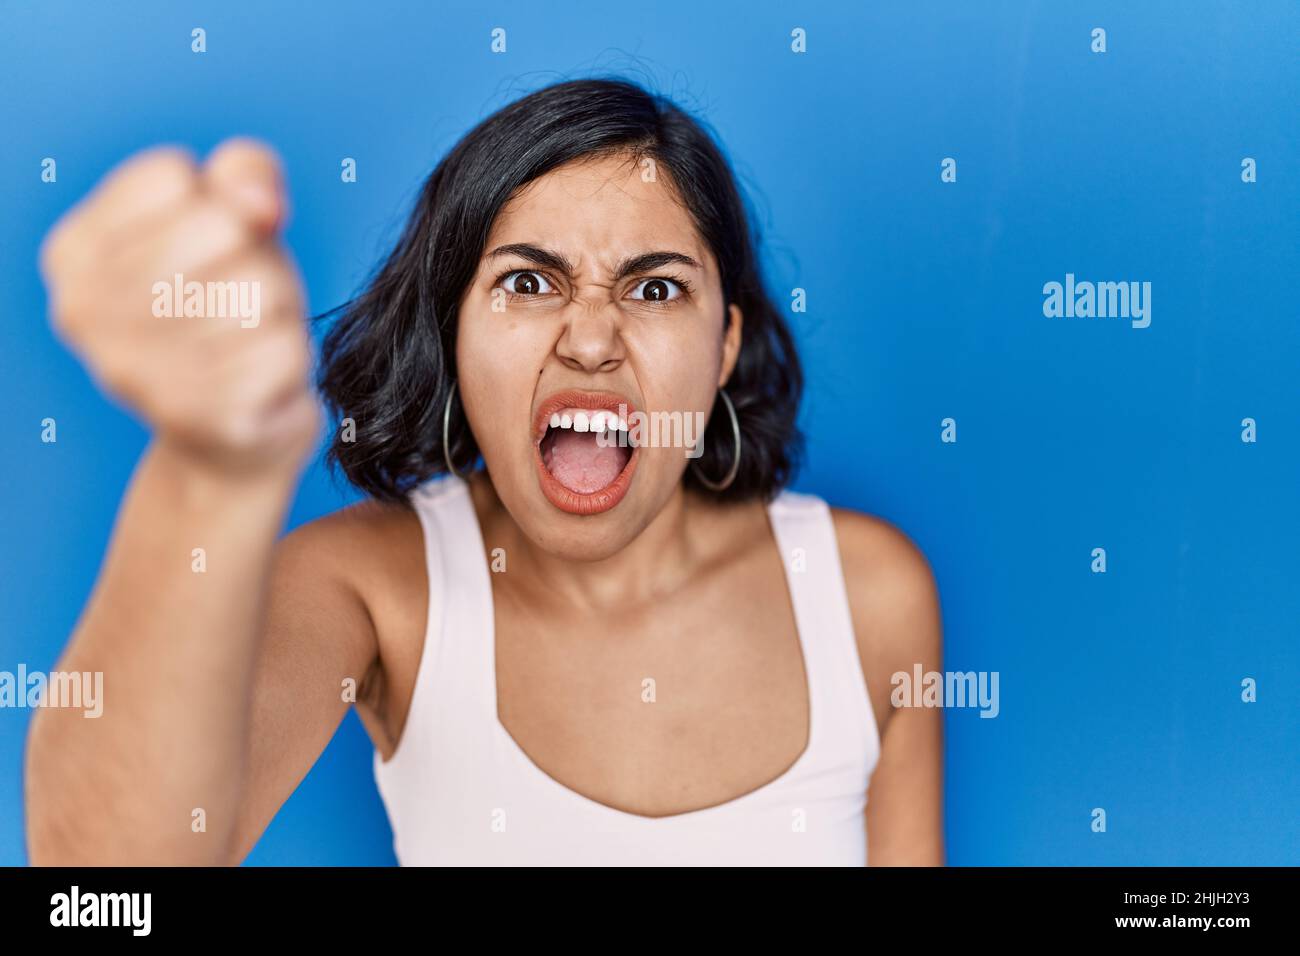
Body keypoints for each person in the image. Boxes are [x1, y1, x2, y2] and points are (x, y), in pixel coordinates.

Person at [26, 78, 944, 865]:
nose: (589, 340)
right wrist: (209, 465)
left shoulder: (867, 594)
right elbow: (108, 886)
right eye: (528, 282)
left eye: (656, 288)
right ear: (454, 333)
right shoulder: (376, 586)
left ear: (723, 347)